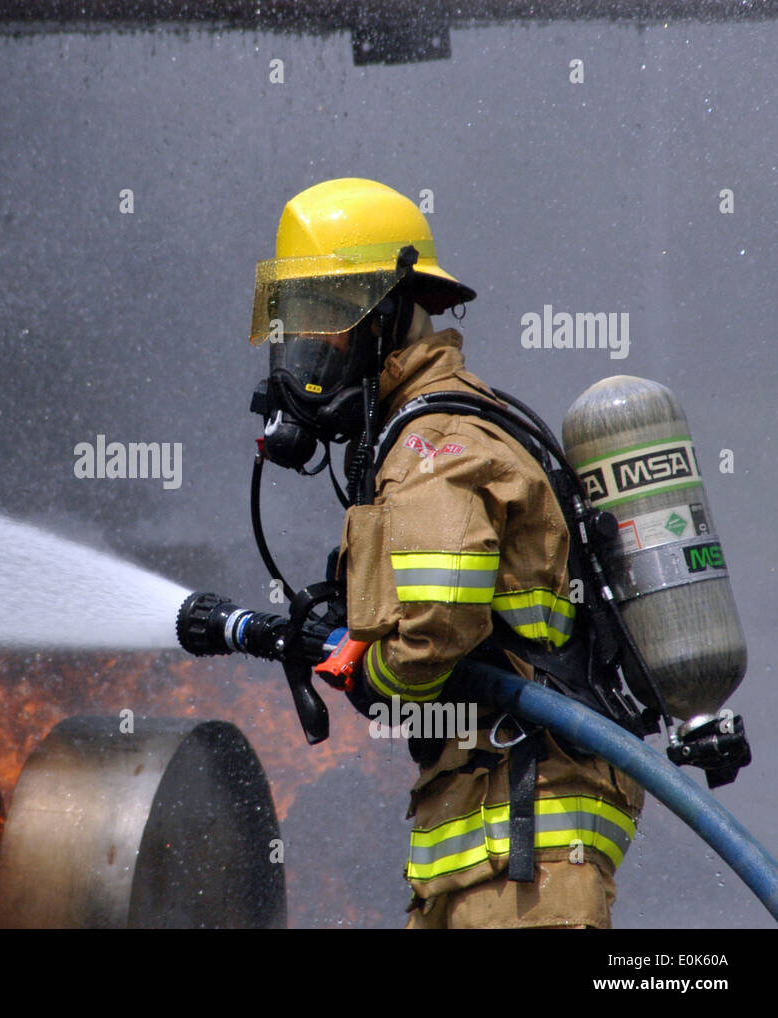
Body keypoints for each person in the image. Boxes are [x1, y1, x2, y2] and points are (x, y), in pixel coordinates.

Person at [250, 178, 644, 928]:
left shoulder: (435, 445)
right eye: (300, 323)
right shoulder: (417, 436)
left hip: (525, 841)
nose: (312, 348)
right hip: (487, 836)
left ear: (389, 313)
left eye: (330, 318)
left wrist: (368, 670)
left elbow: (434, 636)